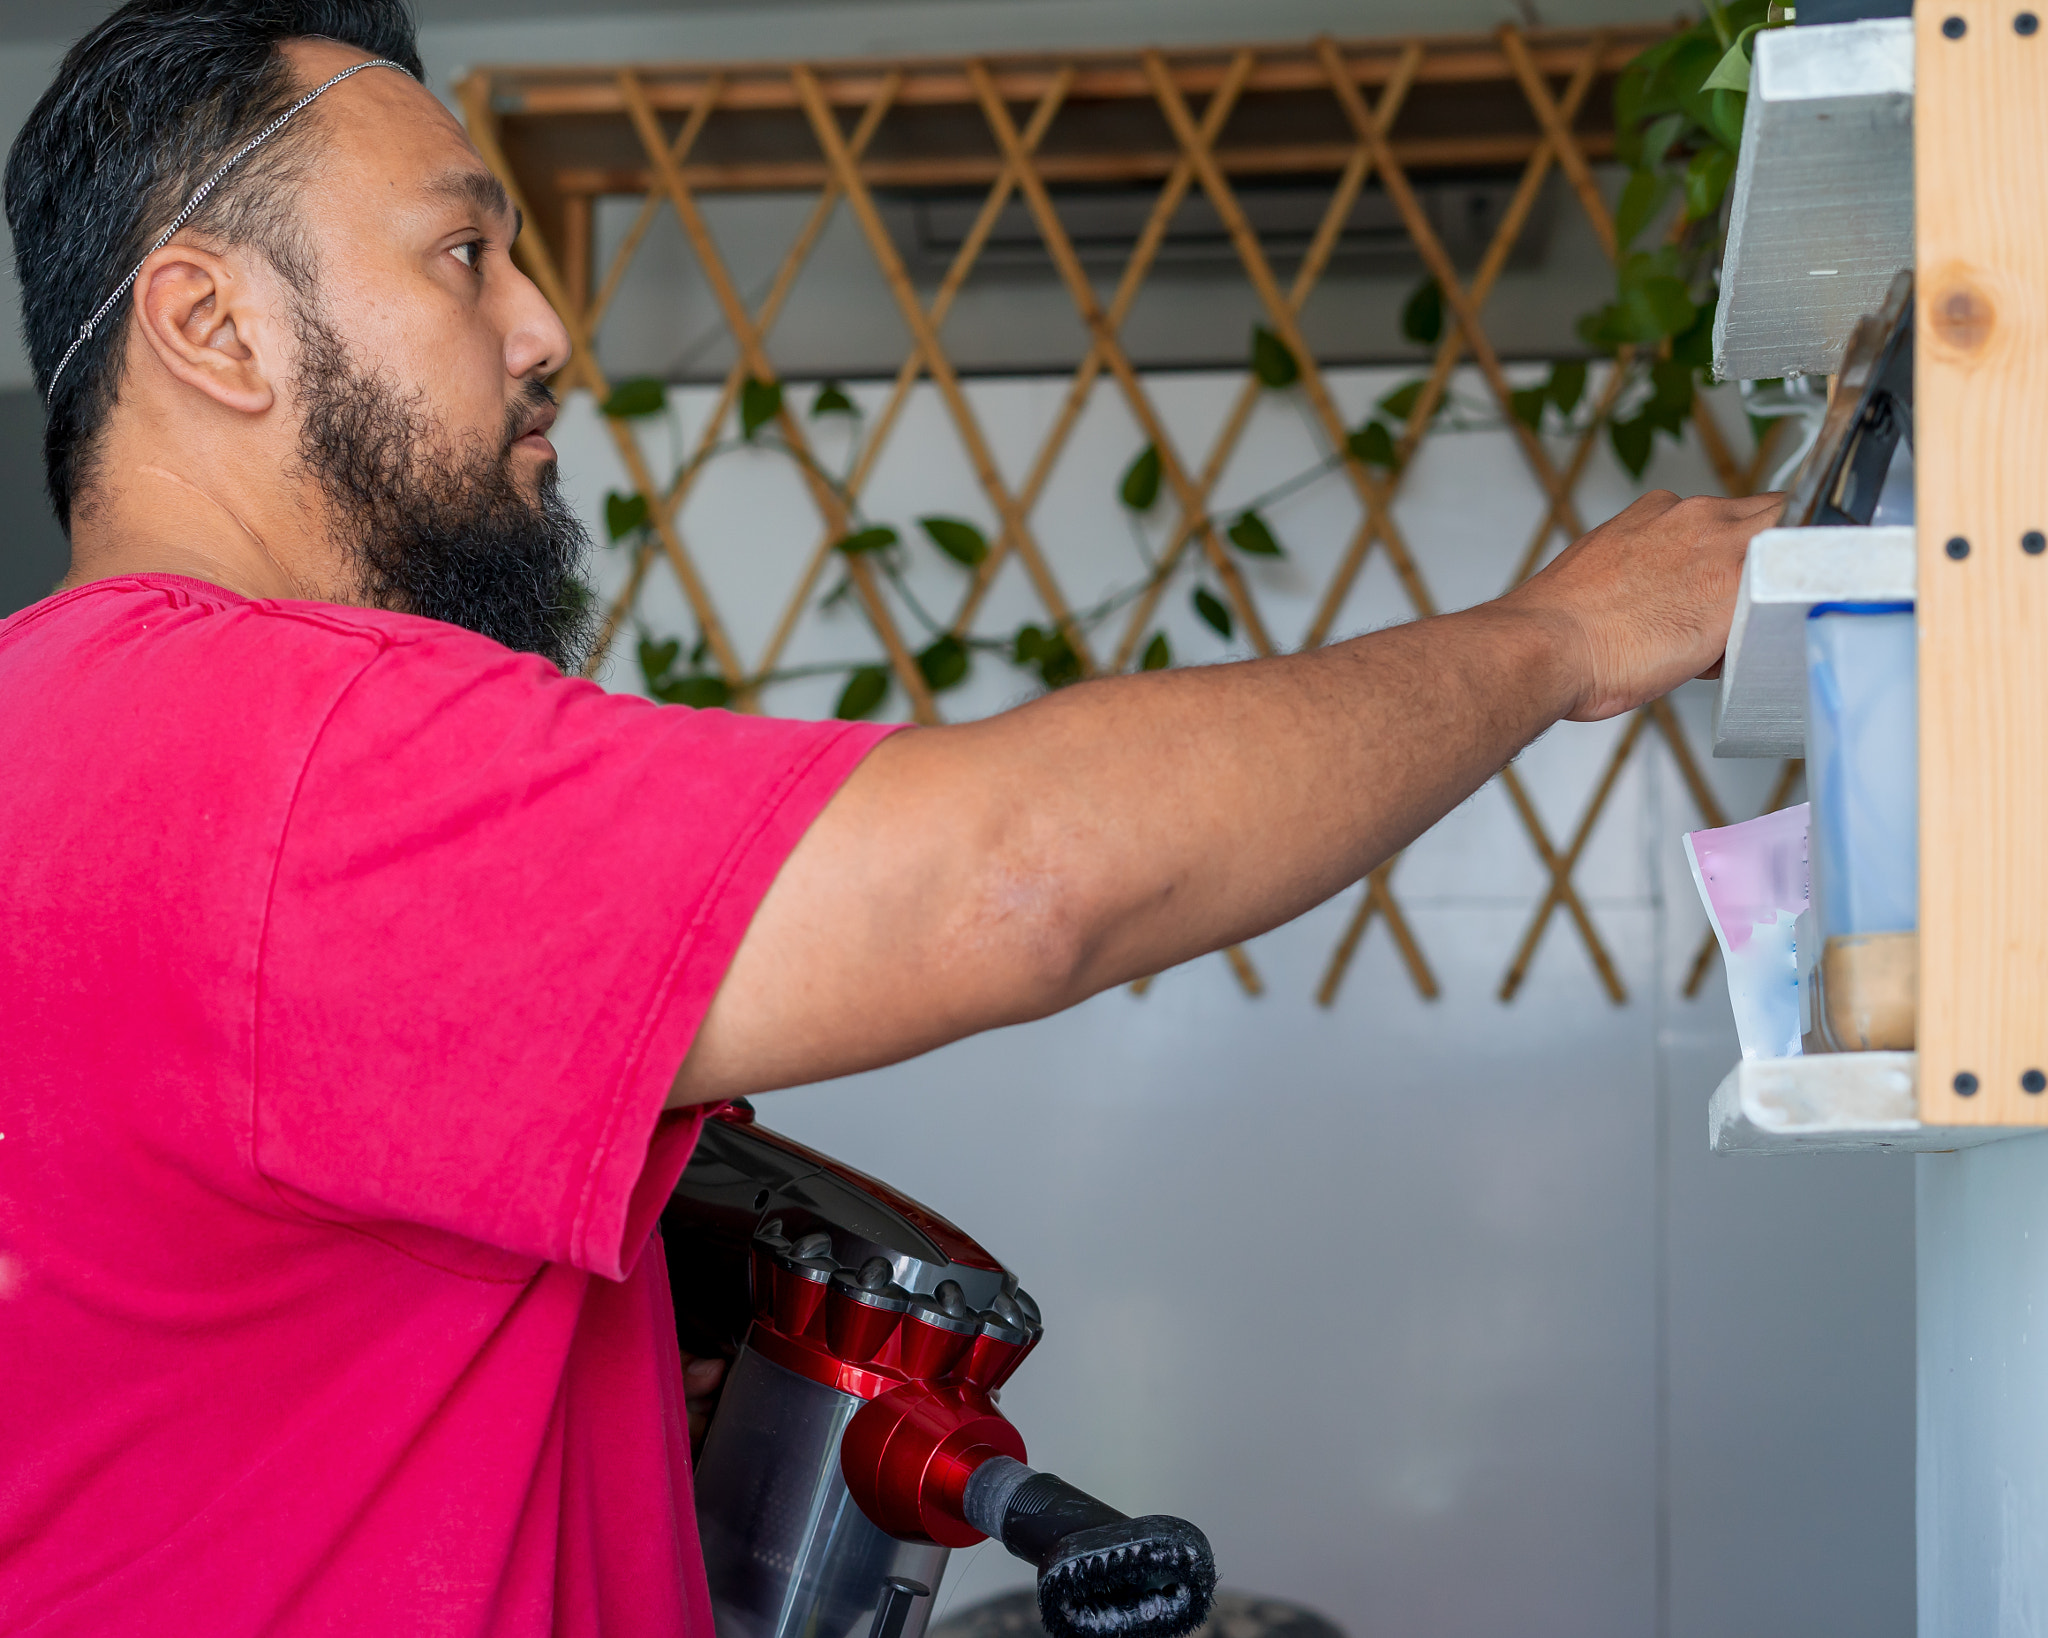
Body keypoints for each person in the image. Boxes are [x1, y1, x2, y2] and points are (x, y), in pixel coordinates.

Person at [0, 3, 1780, 1635]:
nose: (544, 327)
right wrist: (1558, 638)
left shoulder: (57, 738)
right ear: (212, 323)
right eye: (467, 252)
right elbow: (1018, 880)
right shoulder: (271, 742)